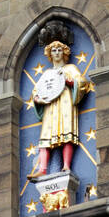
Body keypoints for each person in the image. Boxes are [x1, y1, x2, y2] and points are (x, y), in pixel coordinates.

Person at [31, 37, 89, 177]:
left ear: (64, 53)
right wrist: (38, 99)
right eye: (53, 51)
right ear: (50, 54)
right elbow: (37, 90)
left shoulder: (70, 68)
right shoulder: (47, 73)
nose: (56, 53)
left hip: (65, 103)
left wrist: (68, 81)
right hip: (50, 106)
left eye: (59, 50)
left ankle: (66, 166)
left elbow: (81, 82)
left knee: (66, 132)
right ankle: (42, 169)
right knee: (45, 135)